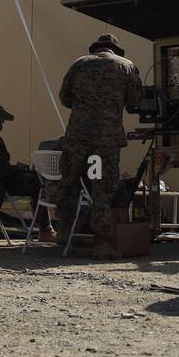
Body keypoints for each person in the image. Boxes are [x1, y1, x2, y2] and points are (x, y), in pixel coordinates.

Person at [55, 33, 142, 258]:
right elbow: (135, 102)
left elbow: (65, 98)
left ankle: (64, 232)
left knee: (69, 180)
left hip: (77, 136)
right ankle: (101, 243)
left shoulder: (79, 64)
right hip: (106, 140)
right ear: (115, 50)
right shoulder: (126, 66)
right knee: (102, 188)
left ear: (96, 48)